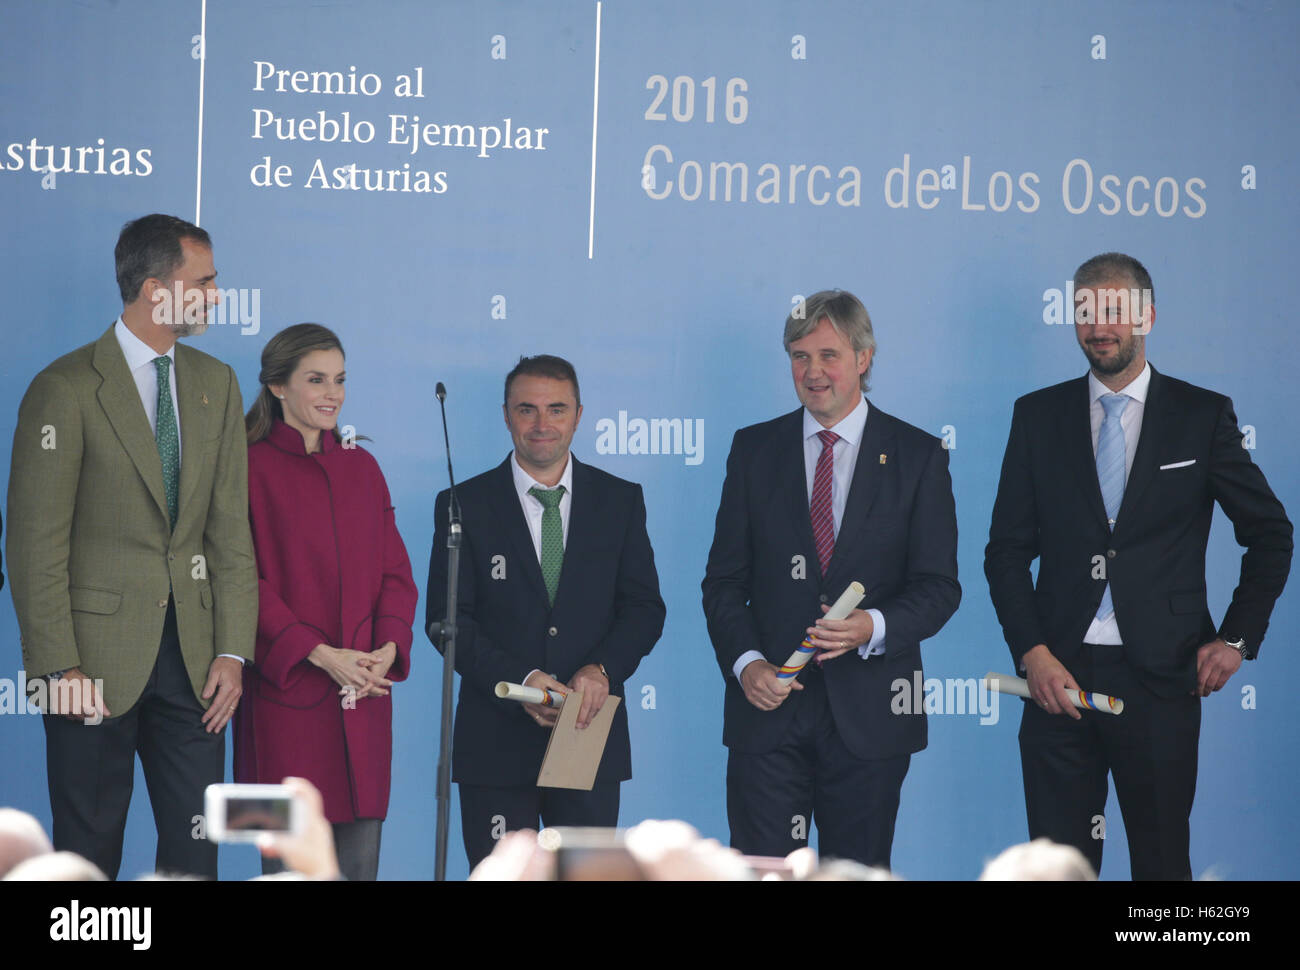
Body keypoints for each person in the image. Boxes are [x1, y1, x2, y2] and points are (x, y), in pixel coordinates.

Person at [984, 252, 1292, 880]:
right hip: (1057, 681)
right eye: (1086, 310)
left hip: (1162, 679)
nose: (1099, 326)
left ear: (1146, 315)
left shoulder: (1201, 416)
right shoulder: (1036, 415)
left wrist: (1235, 638)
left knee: (1160, 867)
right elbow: (1006, 553)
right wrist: (1033, 653)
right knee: (1055, 870)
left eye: (1114, 310)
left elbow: (1270, 534)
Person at [6, 213, 257, 879]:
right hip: (88, 669)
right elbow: (34, 545)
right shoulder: (64, 388)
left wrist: (232, 651)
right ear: (155, 289)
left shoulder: (218, 384)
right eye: (202, 282)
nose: (215, 295)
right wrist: (59, 670)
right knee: (87, 853)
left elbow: (231, 532)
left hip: (198, 669)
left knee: (195, 853)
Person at [702, 290, 960, 868]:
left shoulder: (918, 455)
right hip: (767, 714)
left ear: (863, 358)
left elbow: (940, 587)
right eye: (799, 356)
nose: (812, 371)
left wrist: (873, 625)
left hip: (871, 718)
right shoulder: (753, 450)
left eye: (828, 354)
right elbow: (722, 583)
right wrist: (748, 666)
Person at [427, 354, 665, 869]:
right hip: (494, 742)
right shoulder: (461, 503)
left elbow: (644, 608)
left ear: (579, 415)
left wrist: (601, 671)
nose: (542, 424)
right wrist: (525, 680)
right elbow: (447, 624)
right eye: (527, 409)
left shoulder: (620, 501)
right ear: (506, 415)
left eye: (556, 409)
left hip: (588, 733)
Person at [235, 324, 417, 881]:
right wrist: (317, 653)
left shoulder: (363, 467)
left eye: (339, 379)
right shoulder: (243, 465)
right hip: (279, 705)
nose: (332, 393)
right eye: (316, 379)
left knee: (361, 870)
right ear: (277, 386)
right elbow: (239, 580)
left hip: (364, 699)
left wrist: (388, 647)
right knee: (283, 874)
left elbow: (396, 573)